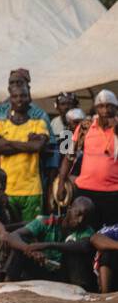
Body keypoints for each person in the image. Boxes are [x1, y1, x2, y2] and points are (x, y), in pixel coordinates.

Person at [0, 78, 50, 222]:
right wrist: (27, 145)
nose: (19, 100)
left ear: (30, 98)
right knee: (9, 233)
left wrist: (7, 143)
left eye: (23, 96)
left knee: (31, 233)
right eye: (15, 96)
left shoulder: (38, 123)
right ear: (10, 100)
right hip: (6, 190)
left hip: (32, 190)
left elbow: (38, 146)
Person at [2, 196, 96, 290]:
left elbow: (84, 246)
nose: (80, 220)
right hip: (42, 269)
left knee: (75, 250)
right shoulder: (46, 221)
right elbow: (13, 235)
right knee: (21, 246)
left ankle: (79, 293)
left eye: (85, 217)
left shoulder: (87, 230)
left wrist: (47, 245)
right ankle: (7, 286)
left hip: (64, 276)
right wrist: (29, 249)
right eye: (78, 214)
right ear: (69, 209)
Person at [59, 89, 118, 226]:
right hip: (85, 191)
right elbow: (69, 156)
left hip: (113, 193)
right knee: (84, 230)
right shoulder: (85, 127)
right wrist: (61, 182)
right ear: (96, 108)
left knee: (109, 233)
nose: (106, 110)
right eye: (101, 106)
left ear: (116, 108)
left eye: (110, 106)